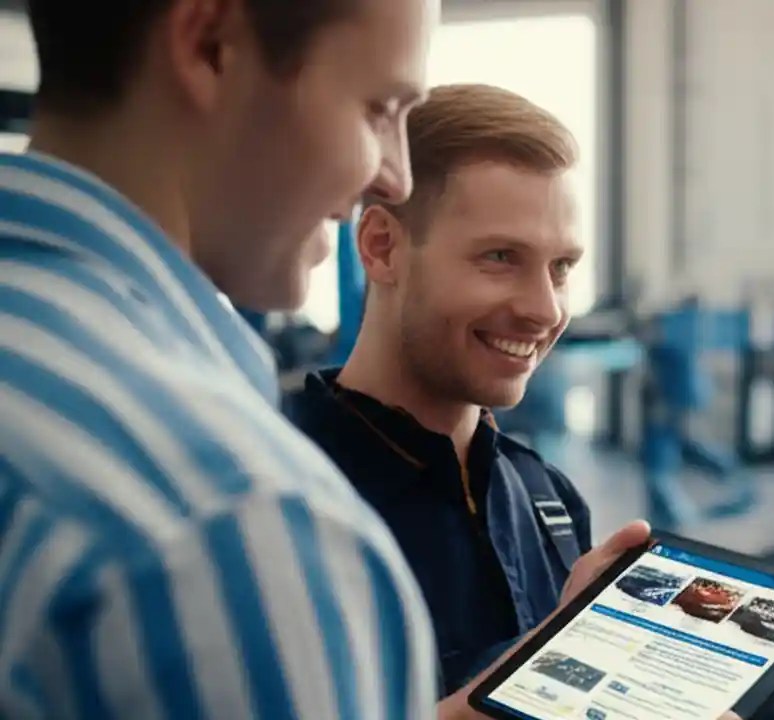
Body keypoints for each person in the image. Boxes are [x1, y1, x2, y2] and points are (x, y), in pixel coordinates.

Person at [0, 1, 653, 717]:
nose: (390, 174)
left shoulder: (547, 498)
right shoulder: (239, 508)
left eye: (562, 268)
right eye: (377, 108)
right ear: (211, 46)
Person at [286, 83, 594, 694]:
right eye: (501, 256)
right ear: (382, 247)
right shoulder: (277, 495)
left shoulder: (549, 499)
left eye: (561, 268)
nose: (544, 309)